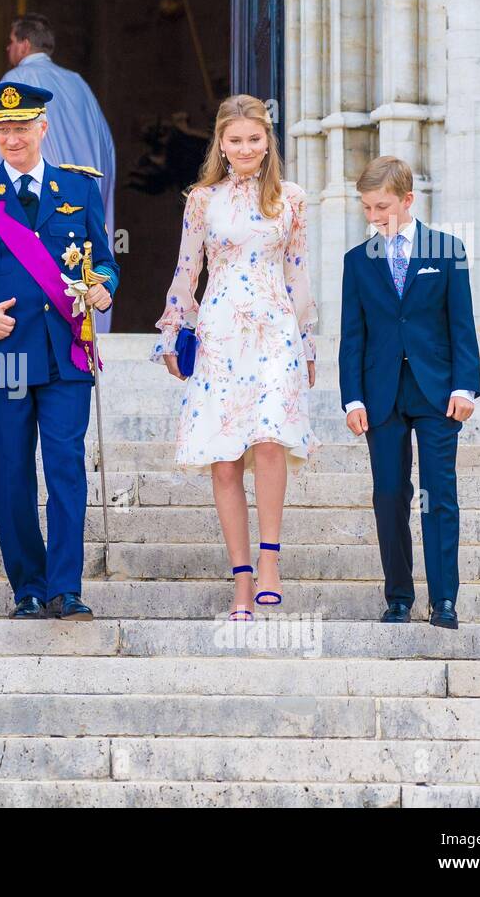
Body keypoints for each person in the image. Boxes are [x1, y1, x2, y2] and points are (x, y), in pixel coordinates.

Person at [0, 81, 119, 621]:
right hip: (0, 351)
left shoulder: (78, 189)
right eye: (3, 128)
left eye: (22, 127)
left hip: (65, 351)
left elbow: (104, 261)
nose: (12, 137)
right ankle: (28, 587)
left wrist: (105, 284)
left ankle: (66, 586)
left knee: (66, 468)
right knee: (10, 473)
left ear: (43, 128)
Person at [152, 94, 317, 622]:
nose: (245, 148)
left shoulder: (290, 198)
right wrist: (172, 329)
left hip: (274, 329)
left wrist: (308, 341)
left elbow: (297, 272)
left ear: (268, 142)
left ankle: (271, 560)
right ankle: (241, 579)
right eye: (235, 140)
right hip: (220, 331)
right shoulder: (202, 199)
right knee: (224, 457)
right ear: (221, 144)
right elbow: (186, 270)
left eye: (254, 139)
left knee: (269, 441)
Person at [340, 155, 480, 629]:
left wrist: (465, 386)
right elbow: (352, 335)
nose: (374, 217)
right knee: (389, 494)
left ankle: (444, 601)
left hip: (437, 392)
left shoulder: (447, 250)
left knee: (439, 494)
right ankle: (398, 596)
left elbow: (461, 325)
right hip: (381, 397)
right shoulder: (356, 262)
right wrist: (352, 397)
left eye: (382, 207)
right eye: (367, 208)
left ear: (407, 200)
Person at [0, 13, 117, 331]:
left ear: (24, 44)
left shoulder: (16, 82)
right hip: (83, 199)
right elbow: (106, 147)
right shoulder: (78, 83)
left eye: (11, 41)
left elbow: (1, 153)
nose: (8, 48)